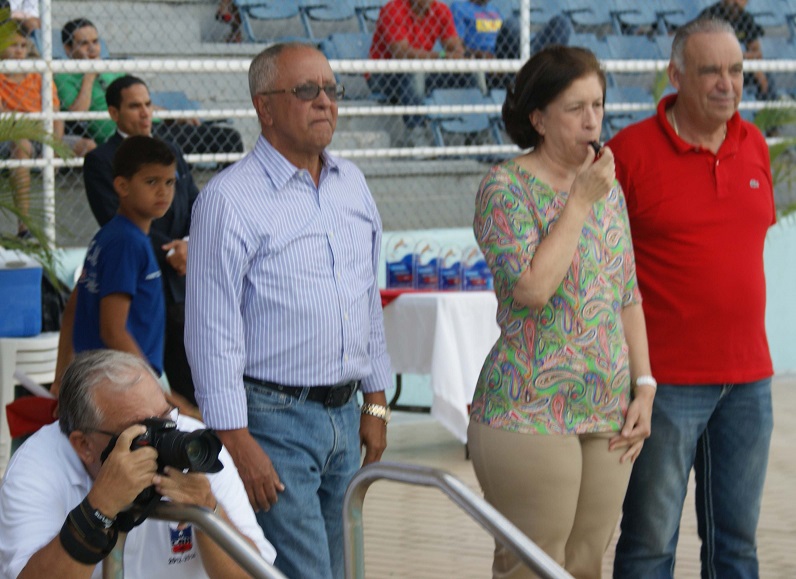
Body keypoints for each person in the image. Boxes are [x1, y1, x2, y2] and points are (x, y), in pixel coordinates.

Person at [185, 42, 391, 579]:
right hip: (273, 420)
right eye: (306, 90)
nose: (325, 101)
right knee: (304, 572)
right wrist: (236, 439)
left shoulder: (352, 184)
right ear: (265, 107)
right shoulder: (228, 200)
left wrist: (375, 402)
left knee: (342, 568)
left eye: (331, 89)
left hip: (345, 412)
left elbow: (365, 299)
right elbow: (211, 331)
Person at [468, 45, 656, 578]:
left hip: (606, 405)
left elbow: (627, 294)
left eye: (598, 105)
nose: (592, 121)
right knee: (534, 564)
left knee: (586, 563)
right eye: (575, 108)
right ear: (539, 118)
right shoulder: (505, 188)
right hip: (529, 407)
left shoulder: (607, 189)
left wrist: (644, 386)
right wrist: (578, 202)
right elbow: (532, 289)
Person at [607, 17, 775, 578]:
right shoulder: (628, 154)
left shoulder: (755, 146)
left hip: (749, 381)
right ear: (676, 76)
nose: (728, 84)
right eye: (711, 72)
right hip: (664, 386)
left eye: (736, 70)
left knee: (737, 545)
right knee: (649, 544)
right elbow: (601, 267)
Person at [0, 349, 276, 578]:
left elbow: (255, 574)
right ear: (84, 444)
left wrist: (209, 512)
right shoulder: (37, 468)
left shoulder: (196, 446)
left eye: (166, 417)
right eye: (142, 430)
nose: (165, 436)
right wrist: (98, 508)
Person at [81, 76, 199, 406]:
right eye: (135, 106)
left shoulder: (171, 150)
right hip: (142, 286)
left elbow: (195, 204)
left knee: (192, 380)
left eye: (148, 104)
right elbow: (116, 218)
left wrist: (189, 243)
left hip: (184, 285)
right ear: (114, 113)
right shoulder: (101, 161)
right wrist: (173, 252)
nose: (145, 112)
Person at [55, 136, 176, 398]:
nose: (163, 191)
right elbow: (112, 330)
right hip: (122, 385)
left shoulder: (109, 236)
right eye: (151, 181)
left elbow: (74, 305)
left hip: (109, 380)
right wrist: (158, 392)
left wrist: (60, 377)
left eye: (169, 182)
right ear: (122, 186)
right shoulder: (127, 243)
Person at [54, 18, 244, 155]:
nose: (92, 48)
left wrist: (176, 117)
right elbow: (76, 116)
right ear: (68, 49)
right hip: (124, 135)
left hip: (154, 127)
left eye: (95, 42)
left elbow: (141, 102)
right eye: (84, 43)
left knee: (228, 137)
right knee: (225, 139)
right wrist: (89, 76)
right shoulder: (63, 76)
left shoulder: (112, 68)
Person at [0, 22, 95, 238]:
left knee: (89, 147)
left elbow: (55, 115)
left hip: (43, 134)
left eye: (23, 46)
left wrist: (55, 145)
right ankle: (24, 227)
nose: (19, 51)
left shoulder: (39, 75)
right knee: (22, 145)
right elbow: (6, 120)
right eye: (13, 45)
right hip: (11, 136)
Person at [368, 0, 473, 129]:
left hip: (423, 71)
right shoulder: (393, 9)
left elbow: (454, 46)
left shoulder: (440, 10)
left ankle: (478, 129)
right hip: (383, 76)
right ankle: (417, 132)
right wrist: (442, 55)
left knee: (473, 70)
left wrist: (459, 54)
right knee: (415, 71)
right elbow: (401, 53)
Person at [699, 0, 774, 100]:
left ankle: (768, 105)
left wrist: (742, 58)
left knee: (763, 74)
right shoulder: (710, 16)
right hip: (714, 69)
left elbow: (757, 53)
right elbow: (705, 52)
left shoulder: (746, 19)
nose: (736, 2)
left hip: (737, 66)